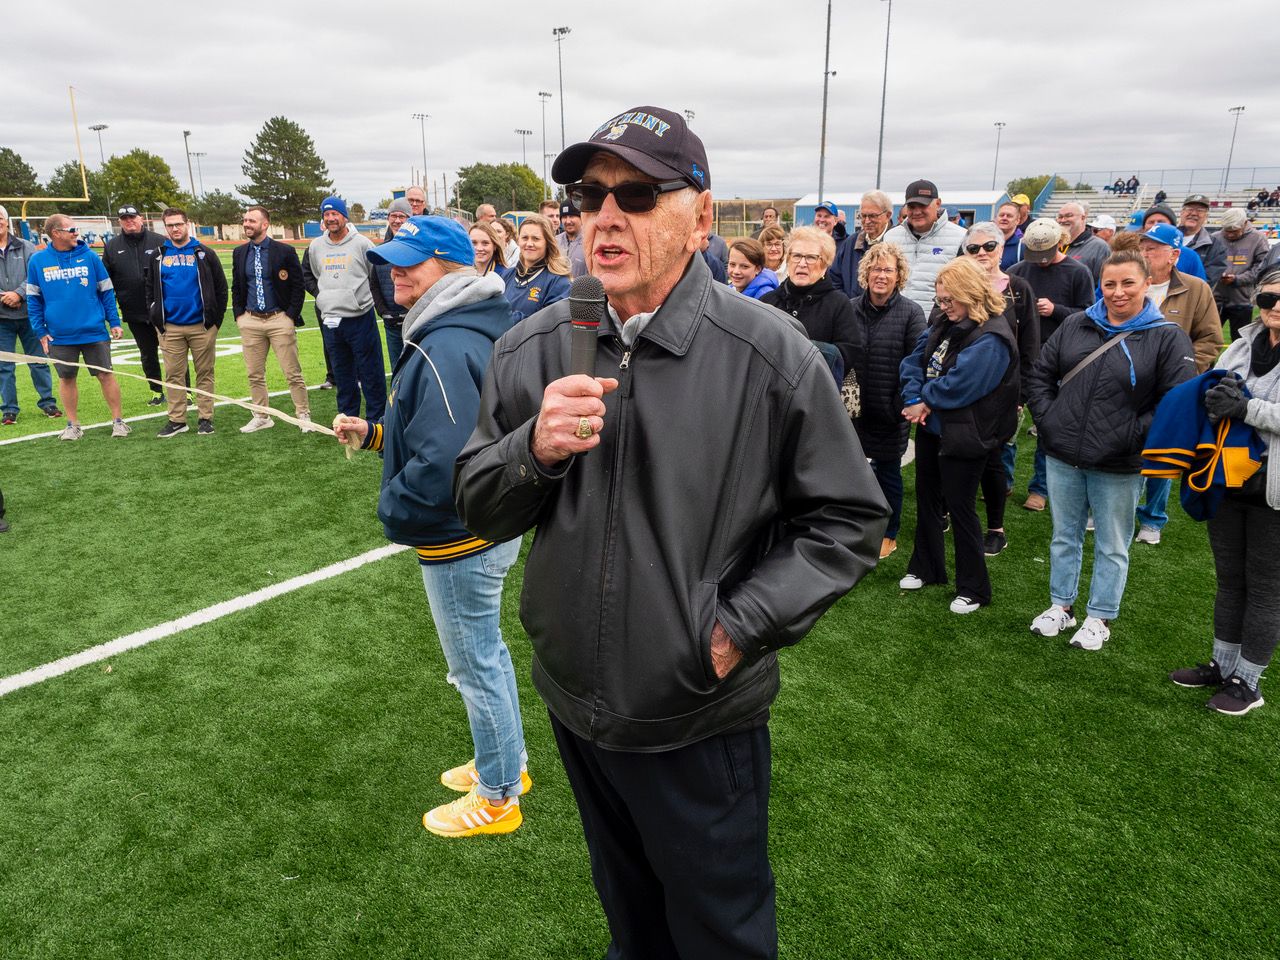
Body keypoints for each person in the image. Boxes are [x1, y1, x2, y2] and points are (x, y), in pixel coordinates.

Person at [455, 104, 888, 960]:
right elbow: (477, 501)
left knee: (719, 936)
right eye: (588, 194)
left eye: (639, 195)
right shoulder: (532, 345)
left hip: (696, 712)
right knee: (632, 925)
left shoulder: (771, 353)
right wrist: (533, 451)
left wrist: (731, 633)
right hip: (575, 699)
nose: (605, 217)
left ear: (699, 213)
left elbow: (847, 519)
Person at [333, 215, 528, 833]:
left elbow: (445, 462)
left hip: (462, 532)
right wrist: (374, 438)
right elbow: (450, 435)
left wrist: (392, 507)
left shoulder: (441, 341)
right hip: (487, 517)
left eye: (409, 262)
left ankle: (499, 796)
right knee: (485, 657)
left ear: (447, 265)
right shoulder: (468, 325)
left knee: (475, 663)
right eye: (390, 260)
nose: (394, 272)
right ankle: (508, 761)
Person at [1026, 250, 1195, 649]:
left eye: (1127, 283)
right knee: (1064, 535)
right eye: (1109, 284)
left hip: (1120, 462)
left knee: (1112, 543)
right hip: (1063, 453)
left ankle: (1100, 616)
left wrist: (1130, 436)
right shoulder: (1075, 324)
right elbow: (1040, 376)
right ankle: (1061, 607)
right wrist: (1051, 421)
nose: (1118, 292)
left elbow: (1176, 401)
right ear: (1100, 285)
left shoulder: (1166, 336)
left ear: (1145, 284)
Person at [1168, 267, 1280, 713]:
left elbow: (1251, 408)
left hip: (1273, 491)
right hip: (1228, 480)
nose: (1275, 308)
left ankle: (1248, 683)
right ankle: (1222, 663)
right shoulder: (1240, 343)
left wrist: (1246, 406)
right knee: (1230, 581)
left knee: (1267, 587)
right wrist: (1214, 401)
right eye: (1269, 299)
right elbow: (1215, 388)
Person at [898, 256, 1017, 612]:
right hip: (933, 428)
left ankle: (974, 588)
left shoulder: (993, 335)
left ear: (971, 294)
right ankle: (926, 567)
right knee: (927, 499)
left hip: (967, 436)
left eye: (950, 299)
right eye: (940, 299)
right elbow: (912, 361)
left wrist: (923, 400)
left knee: (962, 510)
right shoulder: (943, 321)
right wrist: (914, 397)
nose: (943, 306)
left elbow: (962, 386)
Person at [1133, 223, 1224, 544]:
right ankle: (1113, 510)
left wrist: (1182, 375)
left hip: (1173, 391)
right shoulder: (1131, 284)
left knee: (1162, 452)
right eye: (1142, 248)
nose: (1144, 254)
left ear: (1174, 255)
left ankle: (1152, 520)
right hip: (1129, 384)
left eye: (1152, 249)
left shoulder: (1196, 289)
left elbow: (1210, 339)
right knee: (1123, 447)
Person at [960, 222, 1038, 556]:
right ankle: (952, 513)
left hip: (1000, 392)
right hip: (960, 389)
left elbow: (1031, 345)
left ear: (1002, 249)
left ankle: (996, 529)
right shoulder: (957, 283)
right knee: (954, 455)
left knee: (993, 460)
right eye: (973, 248)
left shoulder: (1018, 288)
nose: (981, 254)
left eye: (988, 246)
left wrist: (1021, 396)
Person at [1008, 219, 1095, 510]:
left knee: (1049, 426)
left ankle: (1040, 489)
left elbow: (1088, 314)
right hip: (1020, 357)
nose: (1040, 262)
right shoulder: (1017, 272)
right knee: (1008, 421)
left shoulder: (1078, 272)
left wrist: (1055, 310)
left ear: (1061, 242)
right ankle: (1003, 480)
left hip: (1060, 359)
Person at [849, 241, 926, 559]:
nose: (881, 275)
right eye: (876, 268)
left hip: (889, 410)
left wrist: (900, 403)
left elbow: (917, 359)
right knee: (853, 472)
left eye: (888, 270)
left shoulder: (911, 312)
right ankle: (857, 526)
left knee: (888, 472)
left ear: (899, 276)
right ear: (866, 272)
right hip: (853, 410)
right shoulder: (850, 307)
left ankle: (889, 531)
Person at [25, 214, 129, 439]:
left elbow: (106, 291)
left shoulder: (90, 257)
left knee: (106, 375)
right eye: (71, 229)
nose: (76, 233)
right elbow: (33, 299)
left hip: (94, 330)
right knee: (67, 378)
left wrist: (114, 321)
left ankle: (119, 421)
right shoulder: (37, 261)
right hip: (59, 334)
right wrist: (40, 331)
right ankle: (73, 425)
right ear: (56, 233)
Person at [144, 207, 228, 437]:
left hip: (201, 326)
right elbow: (150, 289)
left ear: (187, 224)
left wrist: (215, 323)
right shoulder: (159, 255)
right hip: (170, 326)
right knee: (173, 374)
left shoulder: (204, 252)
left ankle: (205, 418)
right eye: (170, 225)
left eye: (178, 224)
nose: (174, 229)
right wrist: (156, 318)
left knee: (205, 373)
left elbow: (221, 289)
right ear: (165, 227)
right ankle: (177, 419)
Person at [302, 196, 386, 422]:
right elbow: (316, 275)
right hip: (331, 319)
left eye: (335, 214)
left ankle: (376, 421)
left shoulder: (362, 243)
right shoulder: (316, 246)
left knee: (371, 373)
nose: (330, 218)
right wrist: (325, 296)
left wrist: (357, 298)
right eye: (326, 214)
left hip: (359, 317)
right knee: (342, 373)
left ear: (344, 216)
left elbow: (374, 273)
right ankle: (348, 419)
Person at [232, 205, 310, 434]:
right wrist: (240, 315)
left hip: (279, 319)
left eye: (251, 221)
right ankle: (261, 415)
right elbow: (237, 286)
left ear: (264, 225)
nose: (247, 224)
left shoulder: (283, 251)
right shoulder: (239, 252)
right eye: (245, 220)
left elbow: (298, 285)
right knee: (254, 373)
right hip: (251, 321)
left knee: (292, 372)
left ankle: (303, 414)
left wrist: (290, 316)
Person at [761, 226, 857, 382]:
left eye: (811, 257)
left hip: (815, 395)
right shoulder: (768, 301)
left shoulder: (838, 304)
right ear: (788, 259)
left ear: (825, 265)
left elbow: (847, 354)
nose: (802, 263)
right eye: (797, 255)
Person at [101, 204, 168, 406]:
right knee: (147, 354)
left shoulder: (160, 241)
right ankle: (156, 391)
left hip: (163, 309)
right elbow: (106, 282)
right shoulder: (112, 246)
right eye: (124, 219)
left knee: (173, 352)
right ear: (120, 222)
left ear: (141, 219)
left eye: (132, 217)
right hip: (134, 311)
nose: (129, 221)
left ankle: (185, 391)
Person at [0, 205, 61, 424]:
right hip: (1, 319)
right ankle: (9, 409)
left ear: (7, 221)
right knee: (4, 365)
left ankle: (48, 402)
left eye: (0, 217)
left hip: (29, 315)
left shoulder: (26, 247)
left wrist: (18, 294)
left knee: (38, 361)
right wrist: (4, 297)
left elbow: (36, 277)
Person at [882, 179, 967, 313]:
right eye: (912, 206)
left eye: (923, 206)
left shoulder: (961, 237)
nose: (917, 212)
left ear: (938, 203)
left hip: (938, 323)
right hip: (896, 321)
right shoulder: (890, 237)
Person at [1215, 208, 1273, 342]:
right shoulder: (1215, 237)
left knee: (1241, 342)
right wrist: (1218, 274)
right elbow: (1210, 263)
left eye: (1234, 231)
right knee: (1209, 340)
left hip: (1242, 300)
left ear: (1245, 223)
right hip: (1215, 299)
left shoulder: (1258, 238)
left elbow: (1262, 267)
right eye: (1226, 231)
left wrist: (1238, 279)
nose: (1229, 235)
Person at [501, 213, 570, 323]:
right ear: (518, 240)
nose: (529, 243)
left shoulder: (559, 283)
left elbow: (549, 325)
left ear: (547, 243)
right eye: (524, 238)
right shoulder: (506, 275)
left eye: (536, 239)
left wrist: (505, 318)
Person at [369, 199, 412, 366]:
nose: (397, 220)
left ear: (410, 219)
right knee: (397, 367)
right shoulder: (382, 251)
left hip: (414, 320)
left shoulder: (419, 248)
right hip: (391, 322)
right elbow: (374, 284)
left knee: (416, 366)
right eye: (393, 216)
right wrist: (383, 311)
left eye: (402, 216)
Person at [830, 190, 893, 297]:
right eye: (863, 216)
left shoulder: (895, 244)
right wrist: (848, 305)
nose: (867, 221)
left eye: (873, 216)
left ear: (887, 215)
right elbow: (834, 279)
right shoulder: (851, 243)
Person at [1142, 204, 1209, 281]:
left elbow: (1199, 288)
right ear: (1143, 227)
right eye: (1151, 222)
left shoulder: (1190, 256)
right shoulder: (1133, 252)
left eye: (1161, 222)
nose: (1156, 225)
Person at [1178, 195, 1228, 288]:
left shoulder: (1215, 247)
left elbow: (1207, 281)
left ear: (1206, 216)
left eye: (1200, 210)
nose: (1193, 213)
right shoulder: (1167, 237)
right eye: (1189, 209)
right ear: (1181, 213)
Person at [1056, 201, 1110, 282]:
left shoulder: (1099, 247)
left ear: (1083, 218)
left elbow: (1103, 284)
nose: (1063, 220)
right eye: (1060, 217)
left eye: (1069, 216)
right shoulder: (1053, 244)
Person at [554, 199, 586, 277]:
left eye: (571, 216)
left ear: (581, 217)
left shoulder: (589, 241)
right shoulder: (555, 241)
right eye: (564, 217)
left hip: (581, 288)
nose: (568, 221)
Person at [994, 200, 1024, 270]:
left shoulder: (1021, 249)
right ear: (995, 218)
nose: (1004, 218)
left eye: (1009, 216)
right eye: (1001, 215)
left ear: (1017, 221)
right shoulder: (984, 245)